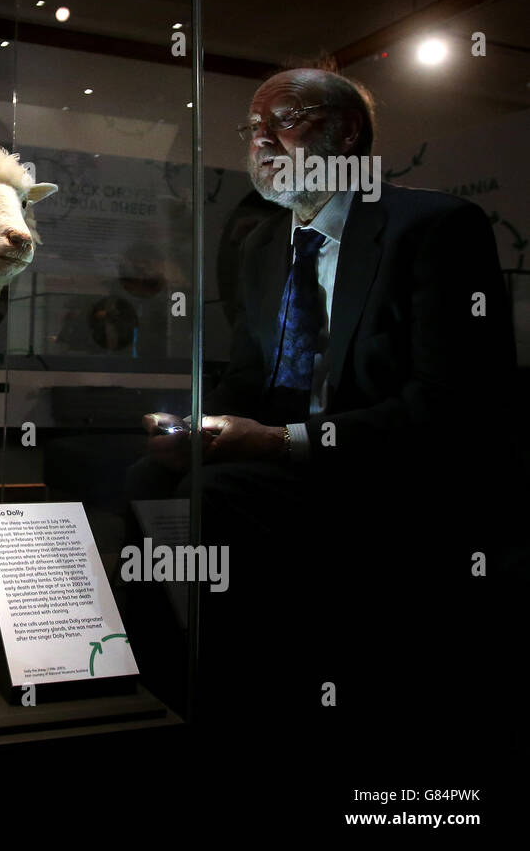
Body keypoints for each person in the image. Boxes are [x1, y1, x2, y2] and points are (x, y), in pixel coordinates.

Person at [128, 67, 515, 733]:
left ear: (347, 132)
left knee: (214, 499)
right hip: (293, 463)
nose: (262, 141)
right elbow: (249, 380)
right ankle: (161, 694)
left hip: (392, 473)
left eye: (284, 119)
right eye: (253, 129)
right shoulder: (264, 248)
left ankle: (239, 706)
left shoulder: (436, 227)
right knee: (147, 474)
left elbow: (449, 407)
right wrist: (195, 427)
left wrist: (281, 441)